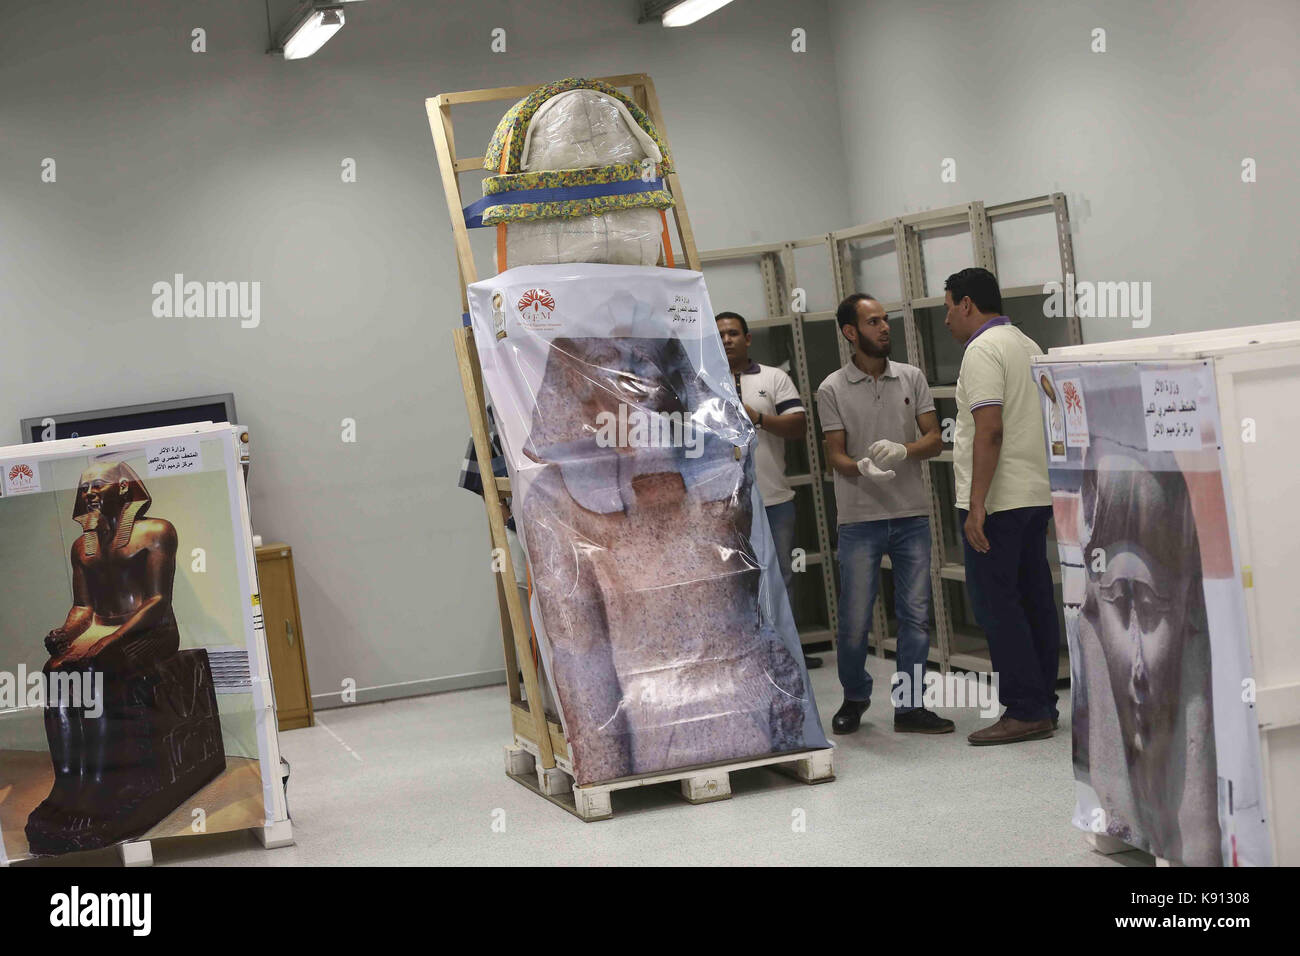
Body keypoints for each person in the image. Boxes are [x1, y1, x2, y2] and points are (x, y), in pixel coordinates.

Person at [816, 294, 952, 735]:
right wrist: (861, 467)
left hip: (912, 515)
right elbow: (834, 455)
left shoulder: (911, 377)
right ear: (850, 332)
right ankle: (855, 697)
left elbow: (935, 439)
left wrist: (904, 449)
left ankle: (910, 706)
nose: (884, 328)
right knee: (855, 619)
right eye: (873, 322)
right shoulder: (831, 388)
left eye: (885, 320)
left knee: (914, 615)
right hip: (858, 519)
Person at [943, 267, 1059, 745]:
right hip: (1034, 494)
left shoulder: (982, 350)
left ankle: (1024, 708)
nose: (947, 318)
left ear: (967, 303)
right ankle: (1042, 704)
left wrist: (976, 505)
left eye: (948, 306)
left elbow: (989, 428)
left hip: (999, 501)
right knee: (1034, 599)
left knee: (997, 606)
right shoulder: (1026, 343)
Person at [715, 310, 822, 669]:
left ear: (748, 338)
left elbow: (798, 425)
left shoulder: (774, 377)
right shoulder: (703, 380)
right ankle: (745, 659)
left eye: (733, 333)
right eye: (720, 335)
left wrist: (756, 416)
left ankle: (787, 654)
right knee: (731, 581)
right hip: (722, 505)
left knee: (781, 578)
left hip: (774, 499)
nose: (727, 339)